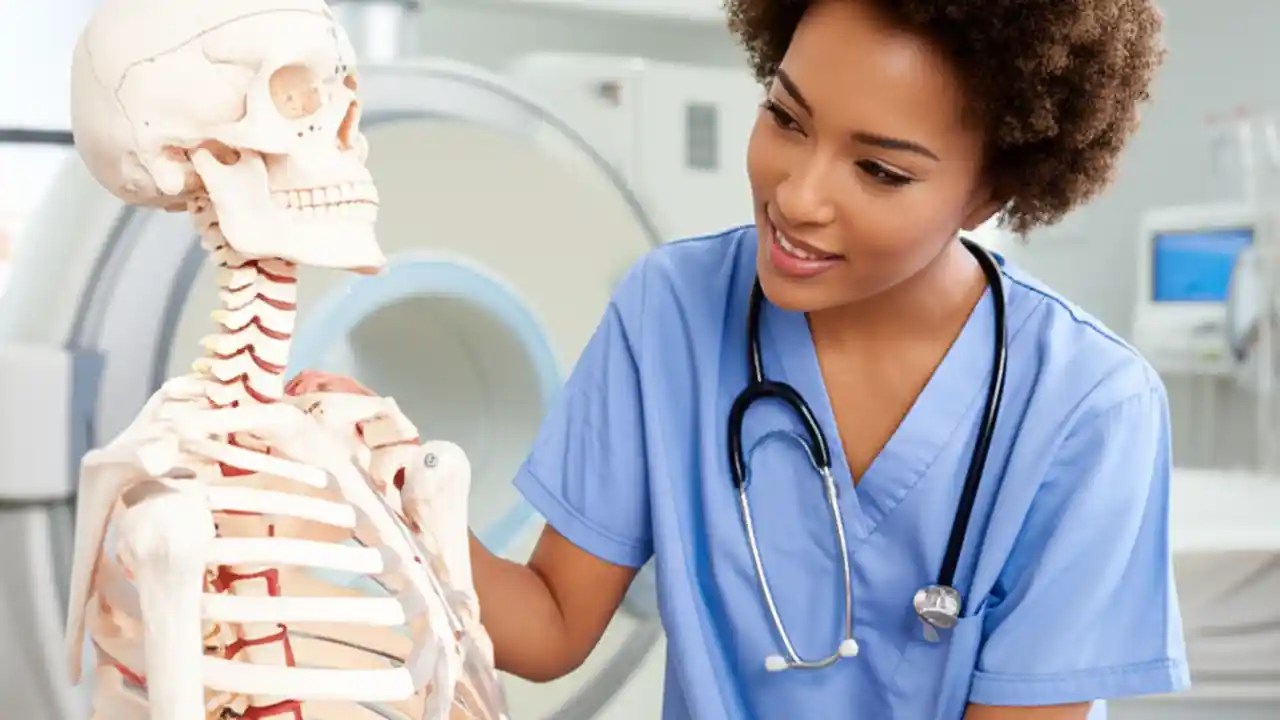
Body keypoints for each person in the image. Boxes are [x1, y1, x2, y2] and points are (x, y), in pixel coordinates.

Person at [288, 0, 1189, 717]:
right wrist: (388, 486)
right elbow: (551, 626)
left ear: (991, 189)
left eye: (878, 171)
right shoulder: (670, 311)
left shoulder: (1089, 406)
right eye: (786, 119)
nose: (797, 197)